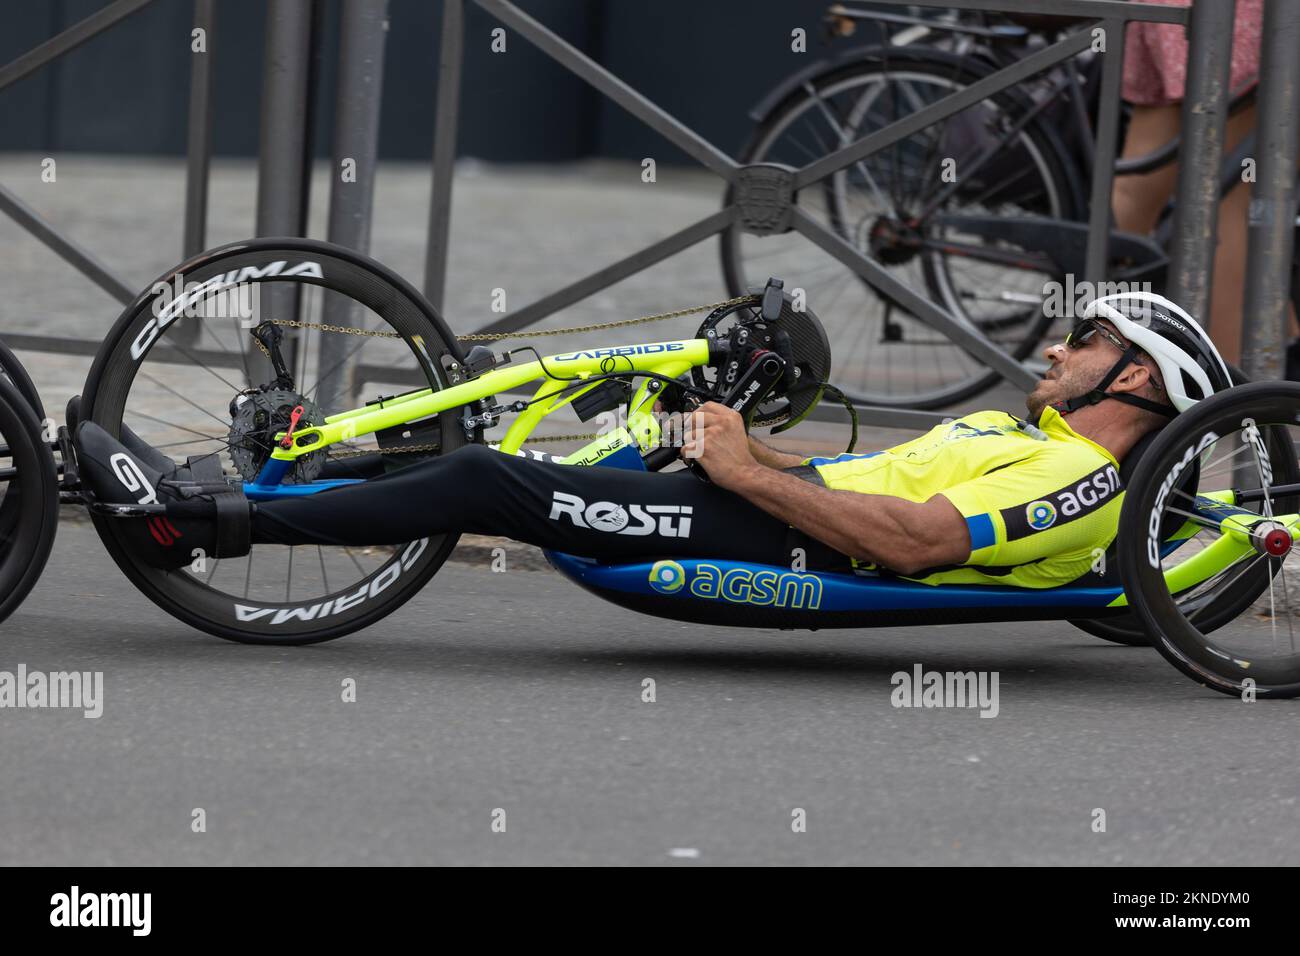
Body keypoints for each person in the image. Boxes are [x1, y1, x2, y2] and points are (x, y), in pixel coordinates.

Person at [76, 292, 1229, 589]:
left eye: (1084, 337)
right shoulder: (1006, 426)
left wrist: (736, 472)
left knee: (490, 479)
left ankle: (208, 522)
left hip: (793, 553)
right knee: (611, 396)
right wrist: (743, 443)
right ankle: (276, 462)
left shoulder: (1080, 479)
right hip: (775, 500)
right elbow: (856, 476)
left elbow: (918, 541)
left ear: (1134, 377)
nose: (1054, 345)